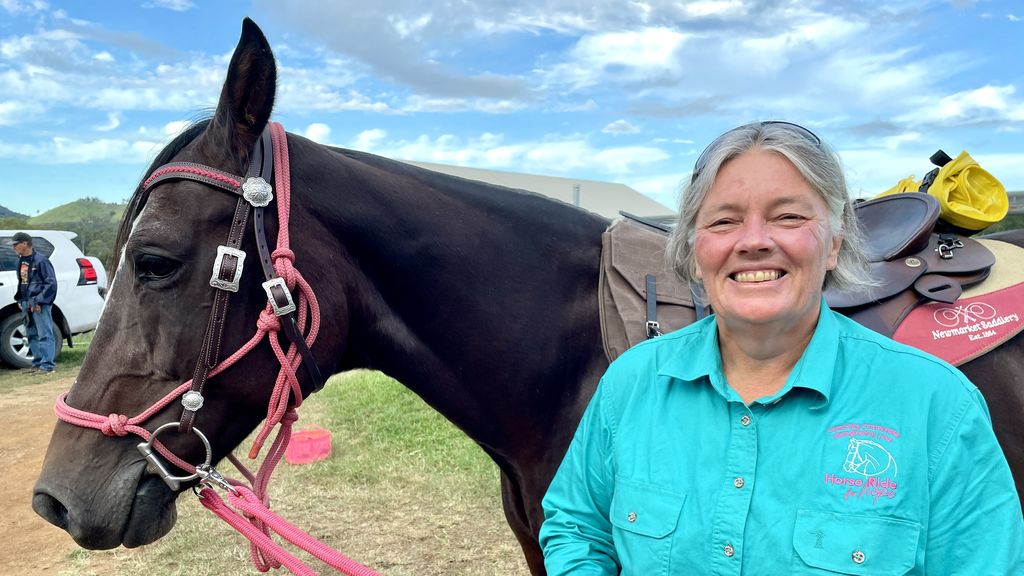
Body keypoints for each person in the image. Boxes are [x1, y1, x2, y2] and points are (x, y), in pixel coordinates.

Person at [539, 121, 1023, 574]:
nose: (753, 241)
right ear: (693, 249)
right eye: (724, 221)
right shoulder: (631, 382)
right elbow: (576, 526)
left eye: (788, 216)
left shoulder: (938, 404)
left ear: (834, 243)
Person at [12, 232, 58, 374]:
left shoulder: (41, 260)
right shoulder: (20, 261)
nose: (13, 247)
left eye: (15, 244)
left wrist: (39, 300)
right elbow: (23, 282)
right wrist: (20, 299)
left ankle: (47, 366)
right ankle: (38, 363)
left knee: (44, 333)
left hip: (39, 304)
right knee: (31, 334)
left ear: (25, 243)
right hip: (26, 303)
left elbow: (51, 284)